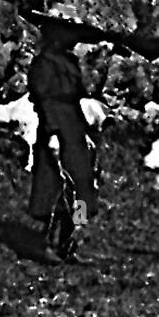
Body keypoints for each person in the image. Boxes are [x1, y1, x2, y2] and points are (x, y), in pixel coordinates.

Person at [25, 15, 99, 262]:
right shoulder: (43, 64)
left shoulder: (70, 62)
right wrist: (53, 133)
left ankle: (69, 244)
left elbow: (77, 99)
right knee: (54, 187)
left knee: (81, 183)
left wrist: (85, 132)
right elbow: (43, 101)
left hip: (74, 128)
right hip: (55, 128)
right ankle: (47, 243)